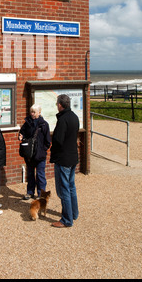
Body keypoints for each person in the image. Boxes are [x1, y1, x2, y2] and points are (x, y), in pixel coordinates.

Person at [50, 94, 79, 228]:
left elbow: (58, 140)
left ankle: (67, 219)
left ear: (60, 105)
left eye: (57, 104)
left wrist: (52, 146)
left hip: (63, 158)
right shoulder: (74, 117)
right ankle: (73, 213)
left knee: (64, 189)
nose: (57, 105)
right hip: (73, 157)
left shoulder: (63, 119)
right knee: (71, 186)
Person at [19, 104, 51, 200]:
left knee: (40, 175)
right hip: (30, 154)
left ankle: (41, 194)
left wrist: (43, 149)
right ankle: (30, 192)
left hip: (40, 154)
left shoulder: (44, 124)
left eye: (34, 112)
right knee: (30, 174)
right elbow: (22, 132)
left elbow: (48, 140)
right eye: (31, 111)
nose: (32, 114)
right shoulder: (27, 123)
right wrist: (20, 136)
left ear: (39, 113)